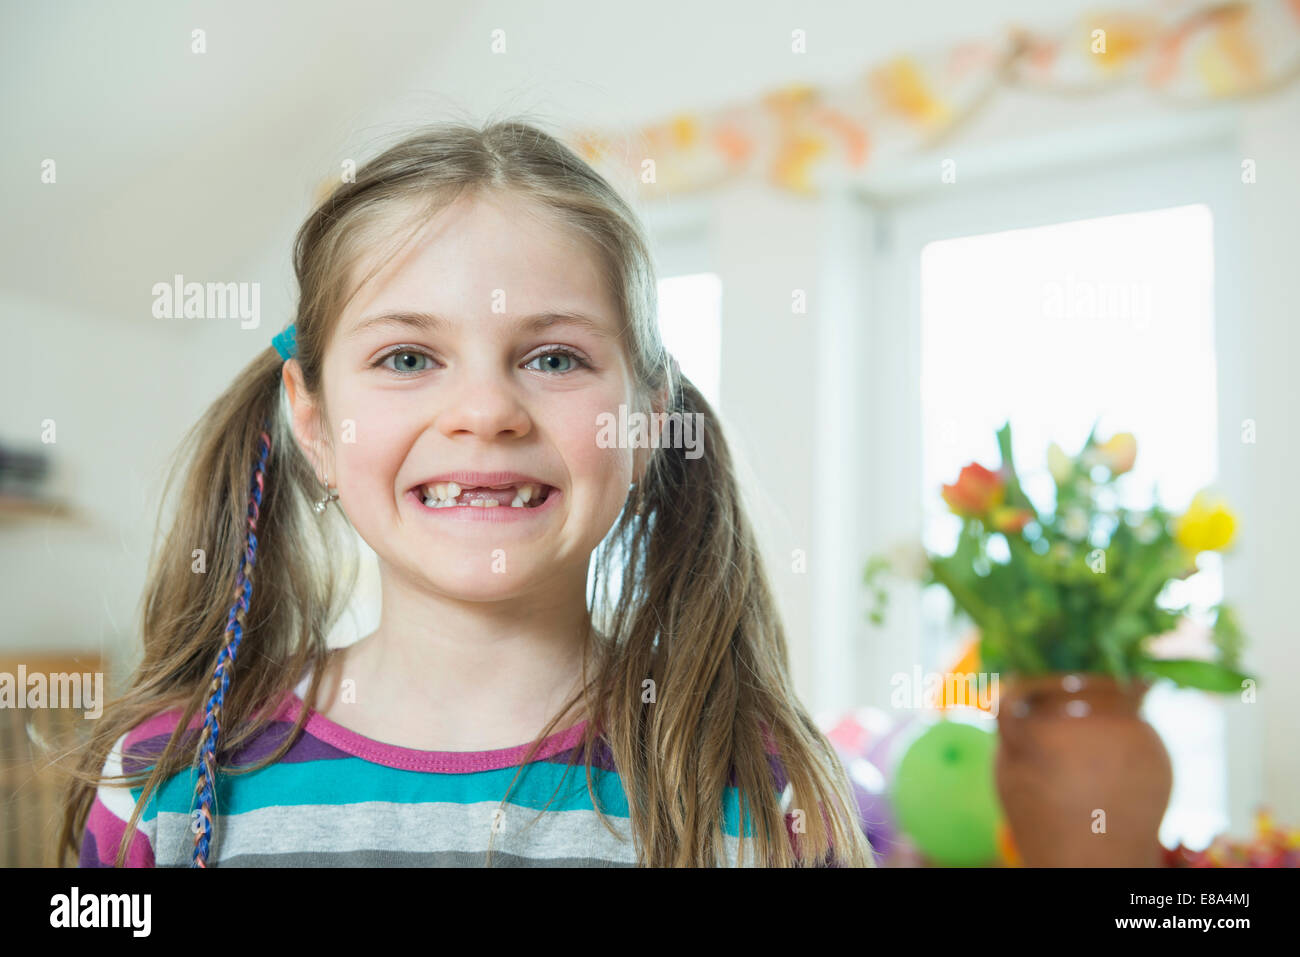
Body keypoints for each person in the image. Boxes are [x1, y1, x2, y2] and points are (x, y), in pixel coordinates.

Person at [61, 118, 874, 867]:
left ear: (647, 421)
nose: (485, 411)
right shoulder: (160, 784)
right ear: (314, 423)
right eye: (408, 358)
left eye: (554, 358)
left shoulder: (768, 795)